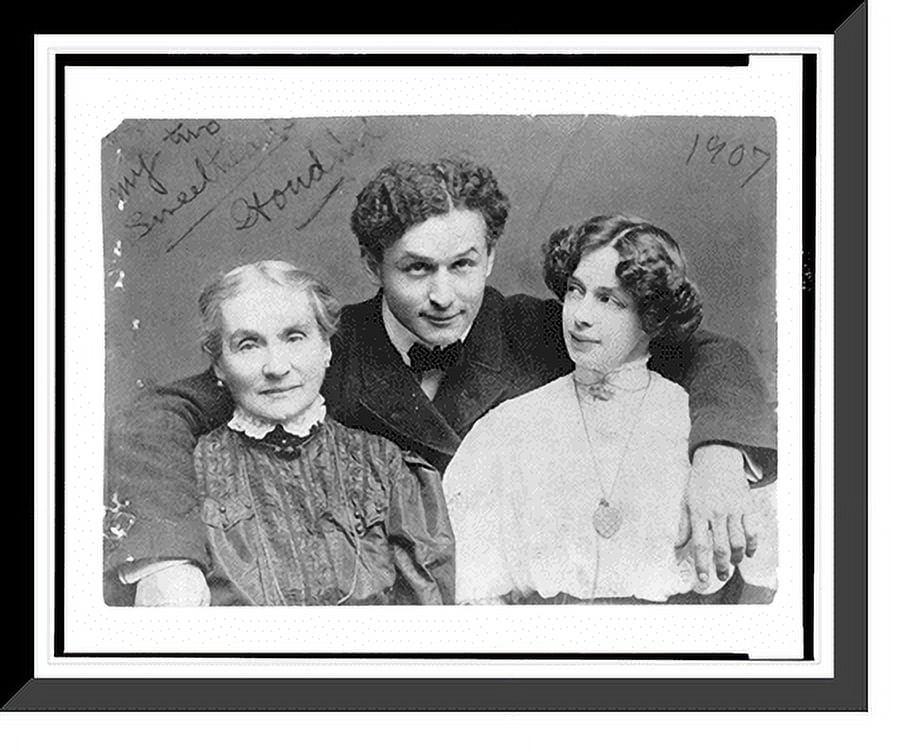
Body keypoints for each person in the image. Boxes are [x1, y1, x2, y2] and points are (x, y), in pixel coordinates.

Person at [105, 158, 776, 602]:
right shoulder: (317, 351)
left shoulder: (545, 329)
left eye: (464, 264)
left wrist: (718, 456)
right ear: (373, 263)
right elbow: (158, 415)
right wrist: (167, 559)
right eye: (417, 269)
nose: (445, 296)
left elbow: (706, 353)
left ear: (490, 256)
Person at [444, 214, 774, 604]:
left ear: (652, 316)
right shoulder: (508, 428)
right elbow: (474, 591)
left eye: (609, 300)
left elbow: (769, 586)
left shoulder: (696, 426)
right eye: (575, 290)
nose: (580, 315)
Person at [104, 262, 454, 606]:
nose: (277, 367)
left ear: (327, 347)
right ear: (218, 365)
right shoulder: (183, 478)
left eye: (294, 337)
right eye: (248, 345)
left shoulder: (390, 469)